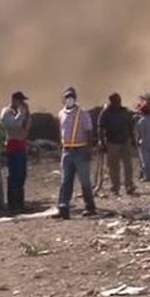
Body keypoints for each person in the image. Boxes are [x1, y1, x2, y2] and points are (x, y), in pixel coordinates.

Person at [56, 87, 98, 219]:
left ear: (75, 98)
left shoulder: (83, 113)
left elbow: (89, 132)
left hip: (81, 150)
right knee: (65, 181)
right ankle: (63, 207)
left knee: (84, 181)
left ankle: (90, 207)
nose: (69, 99)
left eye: (71, 96)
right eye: (67, 97)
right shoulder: (61, 113)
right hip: (67, 151)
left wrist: (88, 150)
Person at [98, 92, 136, 196]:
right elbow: (100, 128)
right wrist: (102, 142)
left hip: (124, 141)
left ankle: (129, 185)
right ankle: (115, 186)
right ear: (111, 101)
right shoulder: (105, 113)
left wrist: (133, 139)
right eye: (116, 101)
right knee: (114, 166)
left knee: (128, 165)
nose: (118, 102)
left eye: (119, 100)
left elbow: (130, 125)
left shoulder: (124, 111)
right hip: (112, 142)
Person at [0, 91, 31, 211]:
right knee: (14, 175)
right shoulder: (6, 112)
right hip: (13, 146)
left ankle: (20, 203)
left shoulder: (21, 113)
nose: (21, 103)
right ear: (14, 100)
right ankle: (13, 205)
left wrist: (27, 114)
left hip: (21, 146)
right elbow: (15, 125)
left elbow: (26, 127)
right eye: (20, 101)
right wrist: (22, 113)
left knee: (22, 175)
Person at [134, 101, 150, 182]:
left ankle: (148, 176)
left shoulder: (141, 121)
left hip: (143, 142)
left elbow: (139, 132)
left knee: (145, 160)